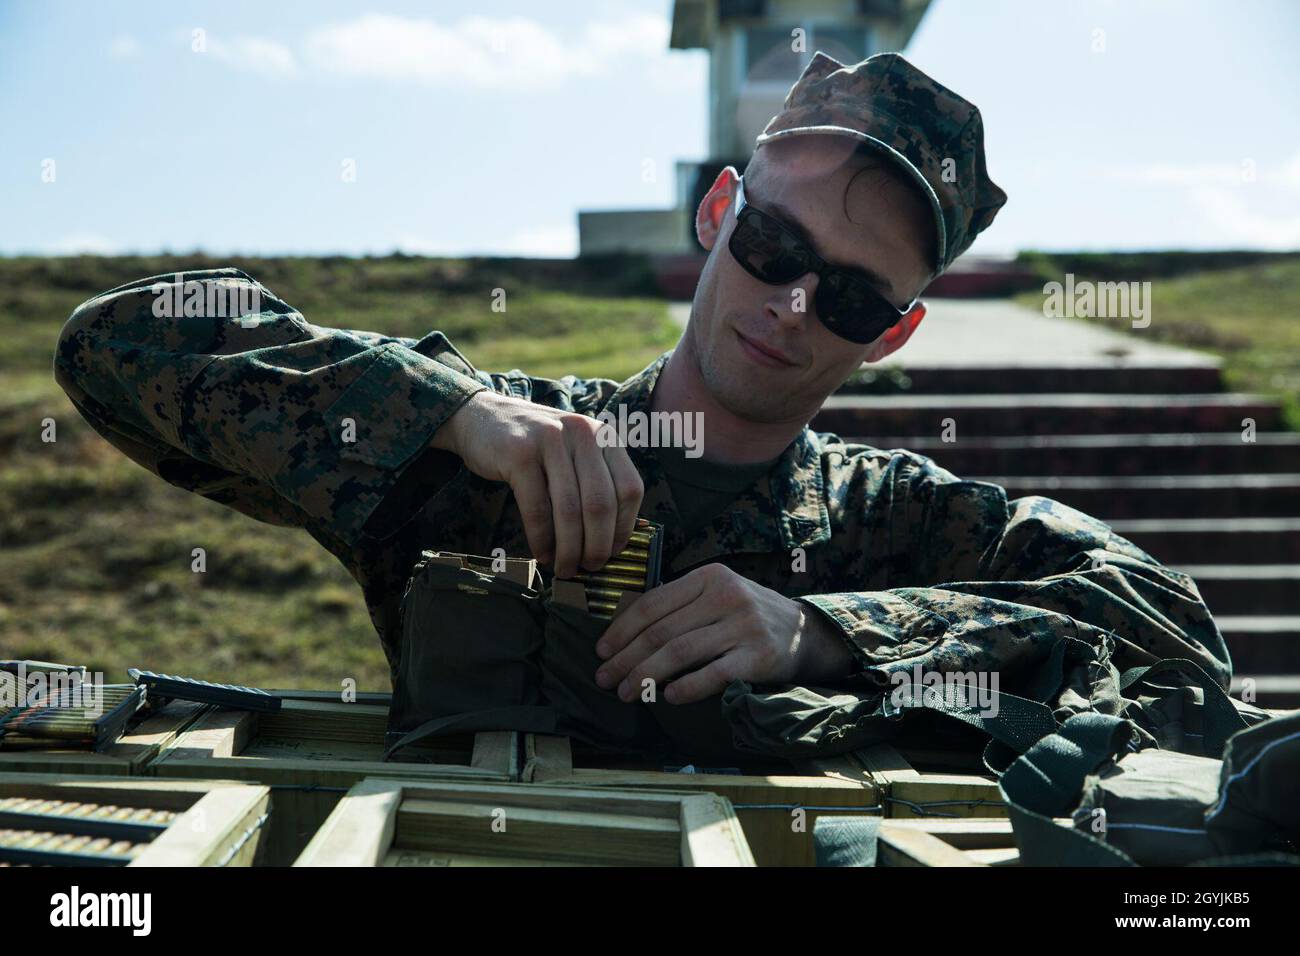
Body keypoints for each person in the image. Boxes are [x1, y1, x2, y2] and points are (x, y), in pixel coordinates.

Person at [53, 53, 1230, 718]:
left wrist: (831, 634)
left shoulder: (900, 520)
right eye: (773, 246)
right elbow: (119, 343)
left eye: (857, 298)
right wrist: (453, 411)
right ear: (719, 213)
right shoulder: (488, 456)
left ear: (895, 332)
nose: (793, 305)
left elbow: (1175, 633)